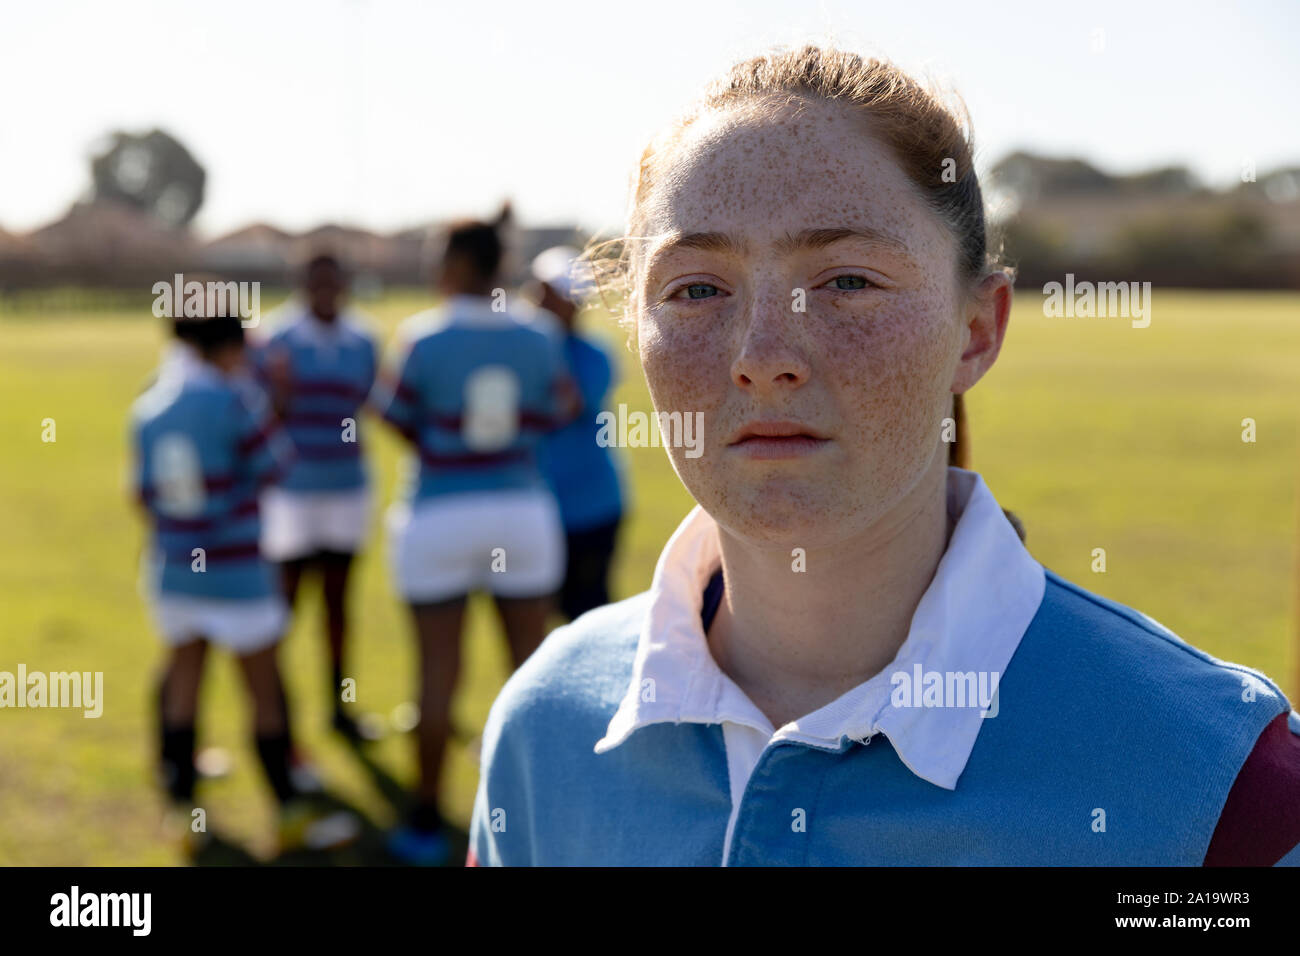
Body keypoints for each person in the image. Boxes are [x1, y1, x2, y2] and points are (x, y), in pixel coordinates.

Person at [468, 46, 1300, 866]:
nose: (761, 355)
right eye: (696, 289)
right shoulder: (544, 729)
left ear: (978, 330)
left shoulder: (1227, 793)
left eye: (848, 281)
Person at [375, 205, 577, 865]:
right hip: (521, 512)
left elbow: (397, 417)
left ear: (459, 266)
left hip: (437, 514)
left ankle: (426, 821)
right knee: (532, 677)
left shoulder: (421, 337)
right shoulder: (538, 333)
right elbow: (557, 409)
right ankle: (536, 820)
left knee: (437, 674)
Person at [130, 309, 359, 858]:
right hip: (238, 573)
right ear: (231, 347)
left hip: (175, 568)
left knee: (183, 686)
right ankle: (288, 814)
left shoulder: (148, 408)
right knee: (264, 693)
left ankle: (184, 815)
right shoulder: (237, 400)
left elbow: (140, 495)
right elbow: (277, 465)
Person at [252, 254, 379, 742]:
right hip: (292, 493)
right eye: (316, 283)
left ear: (345, 285)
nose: (326, 292)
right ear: (302, 285)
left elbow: (371, 402)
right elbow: (260, 416)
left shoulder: (363, 339)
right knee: (283, 606)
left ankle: (339, 708)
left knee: (338, 604)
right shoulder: (274, 340)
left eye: (334, 282)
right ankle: (276, 714)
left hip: (346, 488)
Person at [529, 246, 626, 621]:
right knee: (536, 617)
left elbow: (564, 408)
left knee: (588, 614)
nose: (537, 300)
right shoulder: (532, 347)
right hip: (540, 507)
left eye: (549, 293)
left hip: (591, 506)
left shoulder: (593, 354)